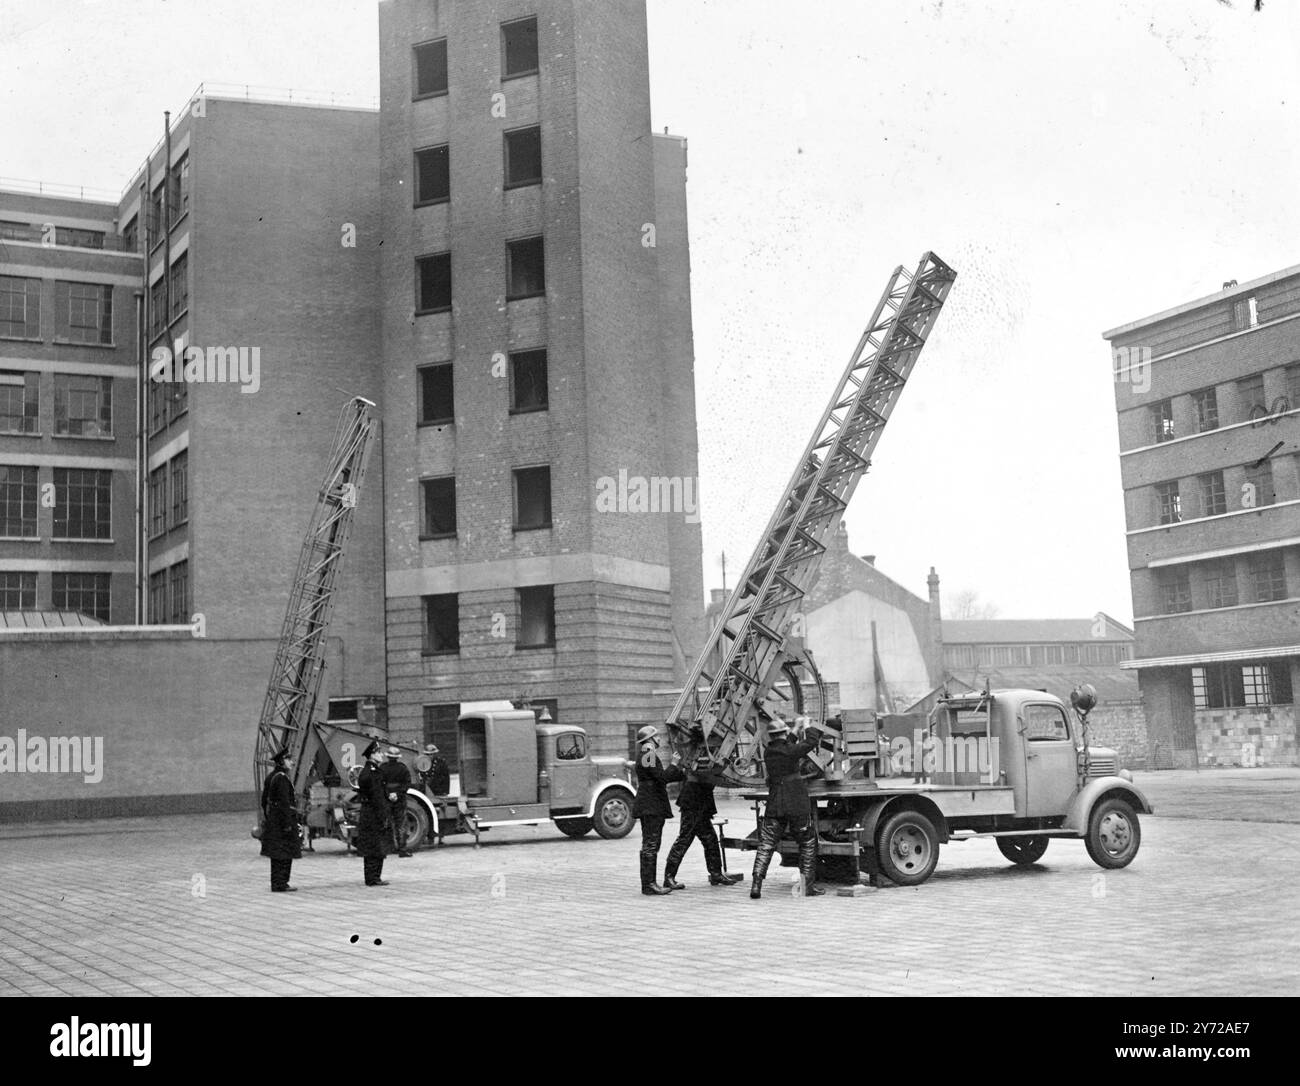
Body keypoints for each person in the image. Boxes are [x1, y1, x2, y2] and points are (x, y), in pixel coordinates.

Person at [751, 713, 825, 899]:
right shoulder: (790, 751)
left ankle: (756, 886)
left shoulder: (769, 752)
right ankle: (807, 887)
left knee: (766, 844)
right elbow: (810, 742)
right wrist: (807, 725)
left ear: (771, 736)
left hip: (775, 804)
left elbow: (786, 745)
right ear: (783, 733)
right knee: (807, 843)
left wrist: (795, 729)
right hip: (796, 803)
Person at [663, 740, 744, 890]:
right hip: (693, 802)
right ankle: (669, 877)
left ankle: (716, 874)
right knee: (684, 839)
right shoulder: (703, 756)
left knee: (710, 840)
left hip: (700, 802)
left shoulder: (705, 755)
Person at [631, 724, 685, 896]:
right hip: (651, 804)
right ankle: (649, 885)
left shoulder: (646, 755)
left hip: (649, 804)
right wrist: (674, 764)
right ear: (651, 739)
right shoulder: (649, 755)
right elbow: (661, 778)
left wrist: (680, 772)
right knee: (651, 844)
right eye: (657, 736)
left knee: (650, 844)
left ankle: (649, 884)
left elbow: (658, 776)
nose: (659, 739)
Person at [260, 745, 301, 892]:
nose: (292, 762)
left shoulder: (271, 777)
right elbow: (285, 803)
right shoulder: (282, 779)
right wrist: (288, 824)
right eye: (289, 759)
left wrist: (270, 817)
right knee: (285, 852)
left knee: (276, 853)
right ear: (282, 761)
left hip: (274, 819)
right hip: (283, 821)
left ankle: (277, 882)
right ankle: (281, 883)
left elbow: (264, 801)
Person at [355, 740, 392, 886]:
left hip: (370, 812)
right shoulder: (371, 773)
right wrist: (383, 815)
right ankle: (372, 878)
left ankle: (374, 876)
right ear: (372, 755)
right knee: (374, 846)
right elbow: (377, 797)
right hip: (374, 813)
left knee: (375, 845)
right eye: (378, 752)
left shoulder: (372, 771)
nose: (381, 755)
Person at [380, 746, 413, 857]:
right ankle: (402, 849)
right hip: (400, 800)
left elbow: (379, 784)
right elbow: (407, 783)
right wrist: (397, 794)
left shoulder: (382, 768)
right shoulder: (403, 768)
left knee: (387, 823)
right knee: (401, 824)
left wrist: (388, 794)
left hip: (386, 799)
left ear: (388, 757)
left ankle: (388, 848)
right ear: (398, 757)